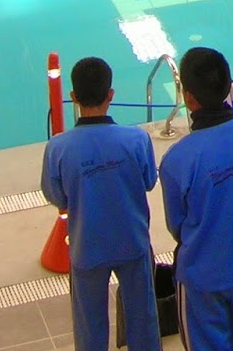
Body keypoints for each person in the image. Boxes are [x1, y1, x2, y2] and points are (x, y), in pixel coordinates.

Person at [159, 47, 233, 351]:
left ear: (188, 97)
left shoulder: (178, 159)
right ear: (228, 87)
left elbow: (177, 226)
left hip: (204, 275)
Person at [40, 57, 161, 351]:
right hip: (132, 240)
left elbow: (57, 197)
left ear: (73, 97)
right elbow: (148, 181)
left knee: (89, 326)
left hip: (87, 245)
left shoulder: (58, 148)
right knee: (142, 320)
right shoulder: (136, 139)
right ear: (111, 94)